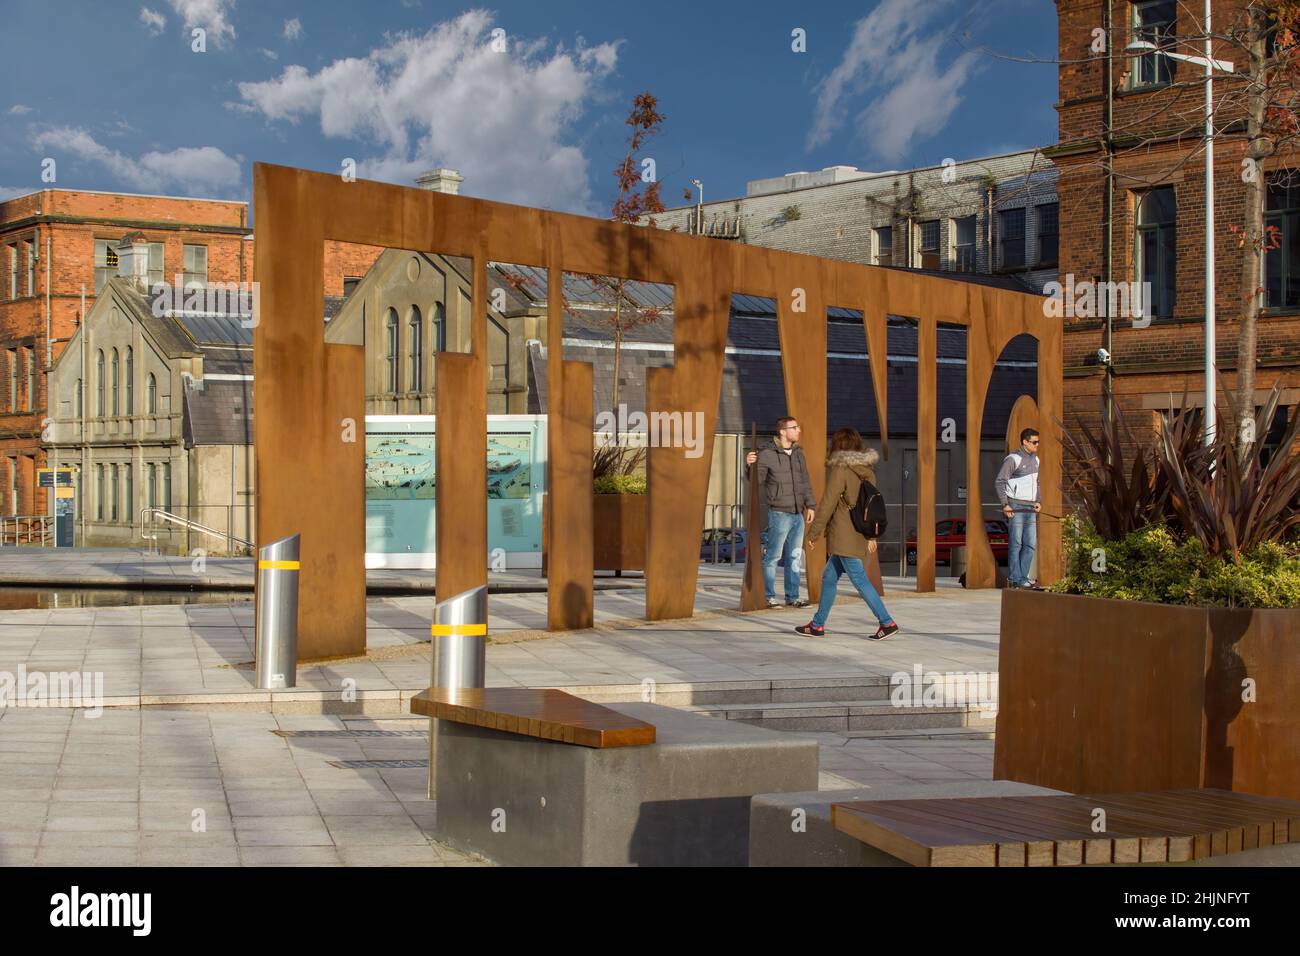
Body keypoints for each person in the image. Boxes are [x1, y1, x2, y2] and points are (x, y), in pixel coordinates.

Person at [798, 428, 899, 640]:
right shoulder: (867, 470)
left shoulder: (841, 470)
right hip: (859, 533)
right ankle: (817, 625)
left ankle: (887, 622)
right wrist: (871, 536)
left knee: (860, 580)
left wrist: (813, 534)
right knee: (829, 577)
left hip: (844, 535)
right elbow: (870, 508)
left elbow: (827, 504)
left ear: (838, 446)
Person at [745, 416, 816, 608]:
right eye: (794, 427)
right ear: (783, 431)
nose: (798, 430)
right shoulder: (767, 453)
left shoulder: (799, 453)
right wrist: (749, 465)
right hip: (779, 513)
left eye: (798, 426)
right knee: (773, 556)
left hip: (797, 513)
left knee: (794, 555)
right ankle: (768, 596)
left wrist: (810, 505)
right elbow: (755, 481)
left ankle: (793, 596)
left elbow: (805, 481)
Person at [996, 427, 1042, 590]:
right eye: (1034, 442)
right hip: (1015, 505)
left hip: (1030, 507)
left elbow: (1036, 482)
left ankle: (1024, 578)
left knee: (1030, 544)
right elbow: (1000, 481)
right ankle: (1015, 578)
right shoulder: (1013, 459)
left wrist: (1038, 500)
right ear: (1025, 442)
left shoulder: (1036, 460)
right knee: (1016, 543)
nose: (1037, 445)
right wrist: (1005, 504)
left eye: (1038, 442)